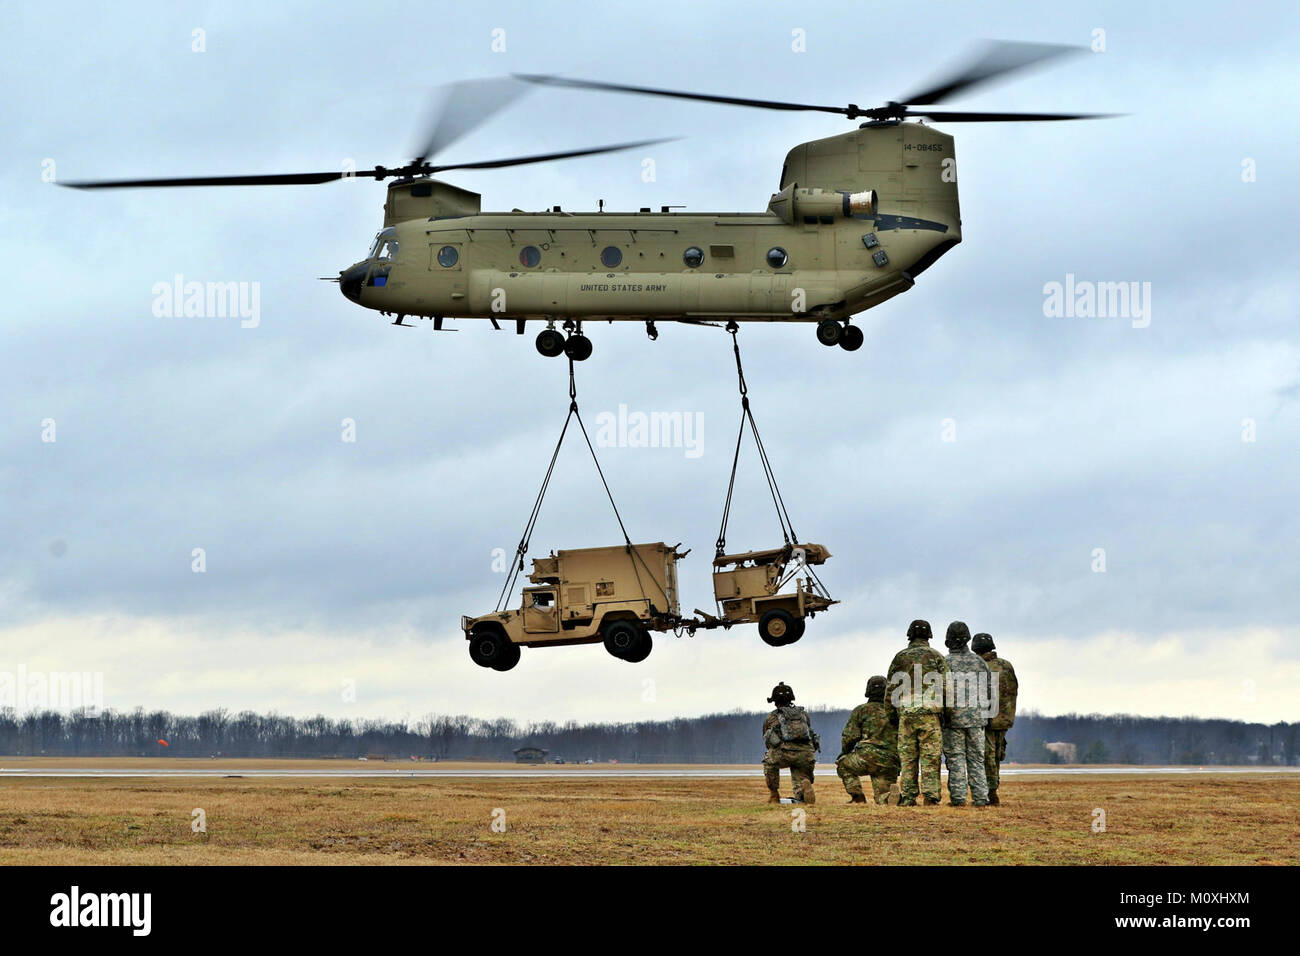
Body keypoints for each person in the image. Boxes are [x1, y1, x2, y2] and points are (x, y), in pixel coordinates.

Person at [885, 620, 949, 806]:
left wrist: (891, 715)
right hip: (930, 714)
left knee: (908, 758)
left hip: (906, 714)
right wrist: (947, 714)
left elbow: (890, 689)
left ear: (909, 634)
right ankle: (930, 797)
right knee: (930, 757)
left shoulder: (899, 658)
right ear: (929, 635)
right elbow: (947, 687)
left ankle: (908, 796)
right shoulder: (936, 656)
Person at [941, 622, 990, 807]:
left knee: (956, 759)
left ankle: (958, 798)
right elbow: (989, 690)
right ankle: (980, 797)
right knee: (977, 759)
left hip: (953, 720)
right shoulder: (980, 662)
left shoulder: (945, 663)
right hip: (977, 719)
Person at [836, 675, 900, 804]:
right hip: (890, 760)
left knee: (843, 765)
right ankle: (889, 798)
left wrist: (844, 753)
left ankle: (857, 797)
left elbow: (850, 736)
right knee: (882, 796)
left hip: (866, 757)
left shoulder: (862, 710)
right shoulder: (896, 711)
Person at [973, 632, 1018, 805]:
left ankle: (990, 793)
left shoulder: (981, 667)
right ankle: (993, 788)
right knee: (996, 754)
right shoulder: (1006, 665)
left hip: (988, 718)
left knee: (987, 756)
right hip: (1004, 718)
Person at [761, 682, 820, 804]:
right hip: (806, 754)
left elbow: (768, 741)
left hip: (783, 753)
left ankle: (774, 795)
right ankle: (803, 789)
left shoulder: (772, 717)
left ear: (775, 701)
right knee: (801, 773)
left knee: (769, 763)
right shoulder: (803, 715)